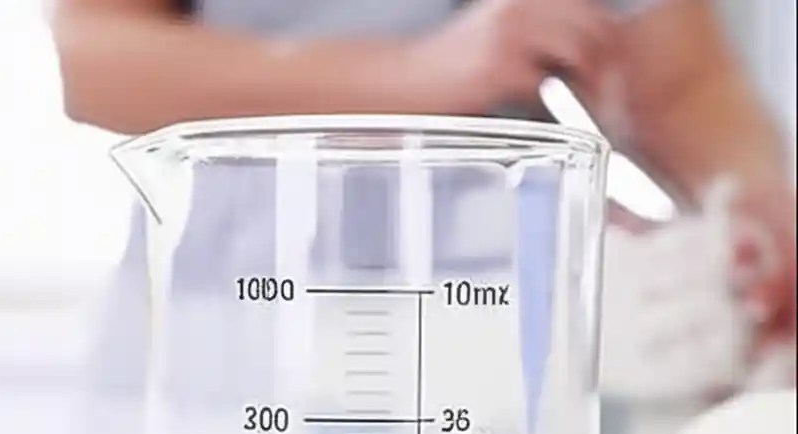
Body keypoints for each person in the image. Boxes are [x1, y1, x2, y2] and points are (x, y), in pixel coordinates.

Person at [54, 0, 795, 340]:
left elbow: (680, 85)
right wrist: (416, 72)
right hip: (231, 348)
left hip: (497, 361)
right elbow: (90, 58)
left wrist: (758, 200)